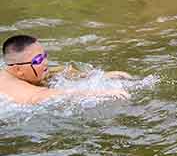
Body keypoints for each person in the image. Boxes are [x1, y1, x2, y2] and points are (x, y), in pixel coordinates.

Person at [1, 35, 130, 105]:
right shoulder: (12, 85)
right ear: (18, 70)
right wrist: (98, 93)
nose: (45, 62)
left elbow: (57, 71)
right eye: (38, 60)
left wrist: (97, 76)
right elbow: (41, 96)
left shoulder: (24, 71)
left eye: (44, 55)